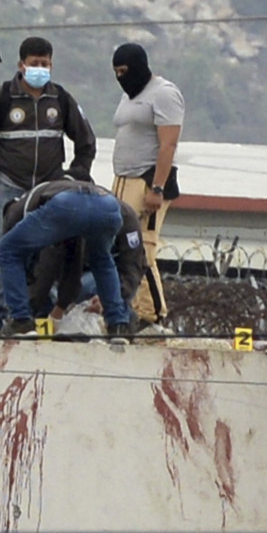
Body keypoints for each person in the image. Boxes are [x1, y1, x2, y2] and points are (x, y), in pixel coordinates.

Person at [0, 36, 96, 325]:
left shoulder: (61, 99)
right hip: (10, 187)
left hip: (48, 191)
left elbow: (86, 142)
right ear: (21, 65)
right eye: (34, 64)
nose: (40, 68)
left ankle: (39, 308)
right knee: (0, 249)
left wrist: (74, 176)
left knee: (49, 252)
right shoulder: (1, 97)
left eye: (45, 64)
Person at [0, 179, 133, 338]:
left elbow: (40, 265)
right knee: (102, 261)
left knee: (6, 249)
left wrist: (32, 309)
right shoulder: (47, 198)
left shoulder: (17, 211)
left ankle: (21, 321)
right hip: (108, 205)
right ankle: (118, 324)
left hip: (67, 204)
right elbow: (72, 263)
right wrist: (61, 303)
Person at [110, 43, 184, 327]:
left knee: (143, 250)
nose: (120, 76)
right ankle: (131, 309)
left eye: (124, 70)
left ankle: (154, 315)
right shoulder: (128, 95)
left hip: (147, 181)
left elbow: (168, 144)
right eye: (116, 72)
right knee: (122, 248)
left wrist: (157, 188)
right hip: (123, 179)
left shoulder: (164, 94)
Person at [22, 201, 148, 323]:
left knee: (95, 289)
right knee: (46, 292)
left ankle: (123, 320)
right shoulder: (73, 220)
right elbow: (52, 269)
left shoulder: (128, 222)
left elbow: (132, 269)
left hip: (106, 276)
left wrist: (112, 297)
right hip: (72, 273)